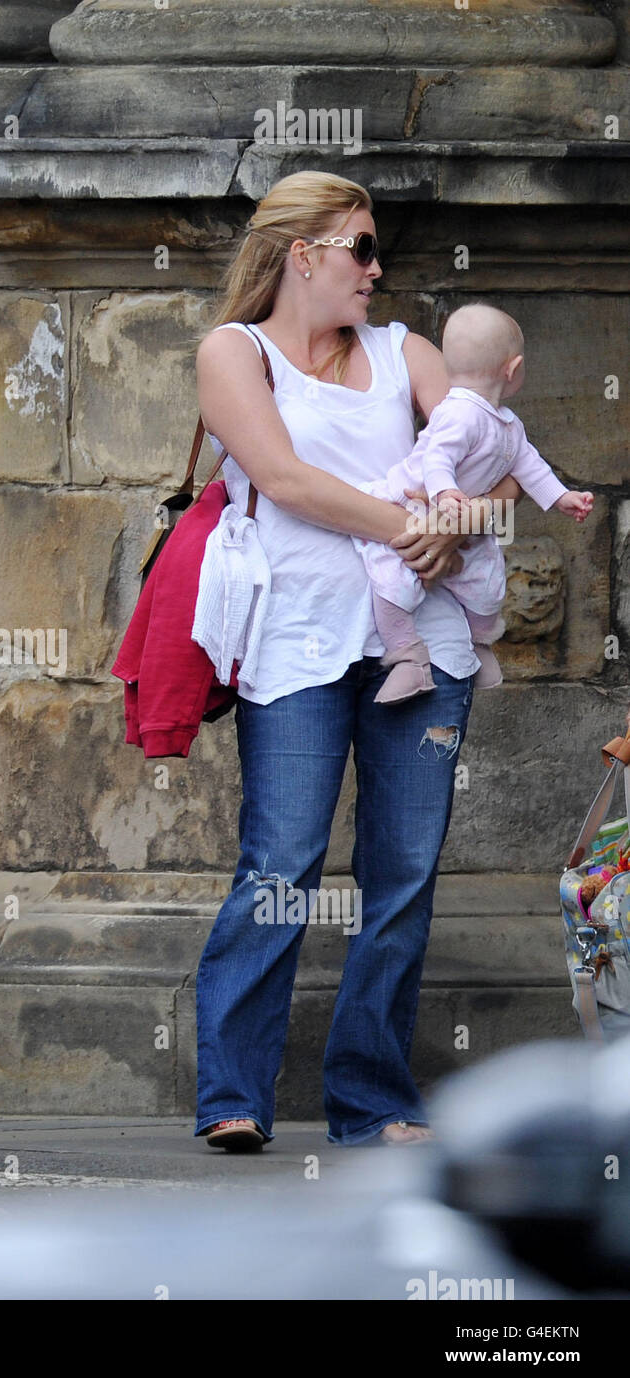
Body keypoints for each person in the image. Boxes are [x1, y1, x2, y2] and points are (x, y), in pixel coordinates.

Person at [191, 170, 521, 1151]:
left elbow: (498, 464)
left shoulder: (405, 351)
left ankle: (369, 1099)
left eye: (377, 250)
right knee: (281, 860)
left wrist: (455, 526)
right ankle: (231, 1094)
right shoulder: (232, 351)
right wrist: (406, 521)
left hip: (420, 644)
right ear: (303, 255)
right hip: (292, 644)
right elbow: (284, 478)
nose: (376, 270)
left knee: (405, 870)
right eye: (361, 248)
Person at [352, 302, 593, 704]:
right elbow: (436, 458)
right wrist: (445, 493)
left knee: (487, 580)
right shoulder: (459, 414)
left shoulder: (508, 424)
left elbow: (529, 466)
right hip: (414, 505)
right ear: (513, 369)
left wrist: (561, 497)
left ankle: (480, 643)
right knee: (393, 579)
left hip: (463, 522)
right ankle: (406, 656)